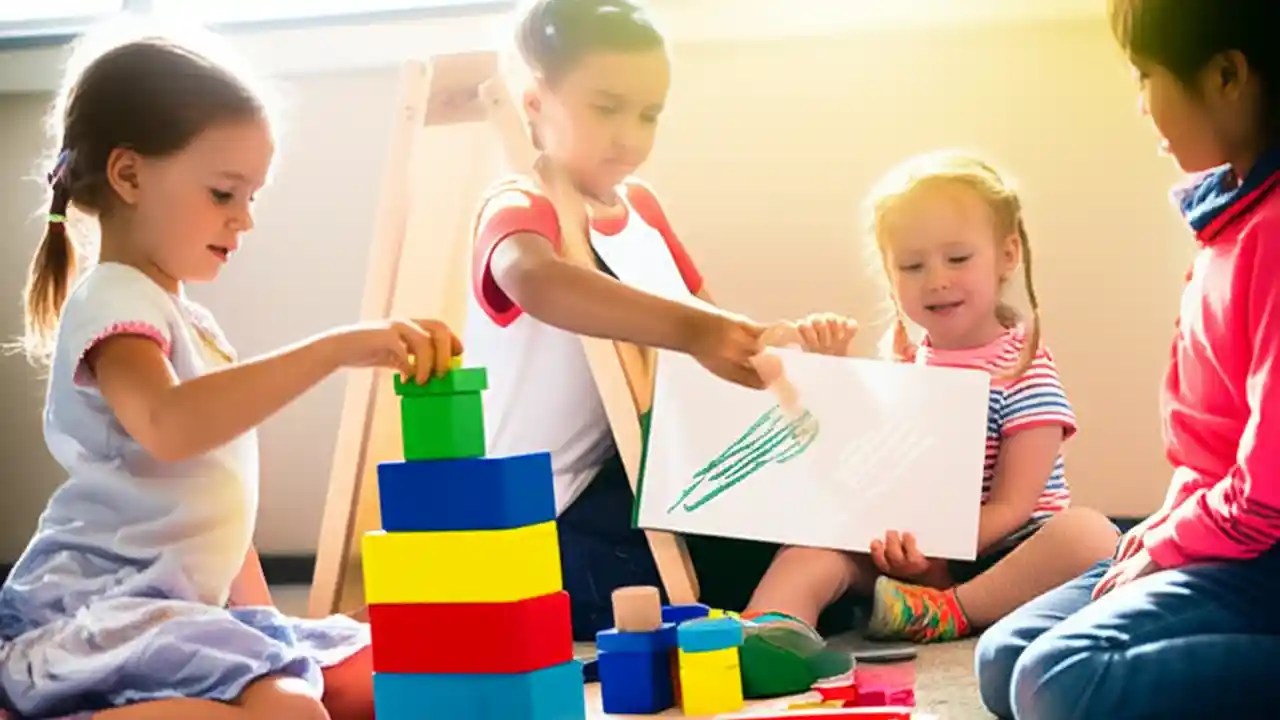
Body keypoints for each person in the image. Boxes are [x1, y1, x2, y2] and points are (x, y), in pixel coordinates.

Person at [0, 29, 461, 720]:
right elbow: (169, 426)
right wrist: (335, 349)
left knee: (393, 672)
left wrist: (271, 638)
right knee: (296, 712)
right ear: (128, 176)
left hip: (175, 618)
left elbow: (215, 509)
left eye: (252, 196)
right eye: (224, 192)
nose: (243, 219)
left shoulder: (185, 320)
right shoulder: (113, 300)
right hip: (99, 612)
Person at [974, 1, 1280, 717]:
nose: (1142, 105)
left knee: (1057, 680)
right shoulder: (1231, 218)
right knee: (1003, 661)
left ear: (1228, 76)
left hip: (1262, 547)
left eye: (1146, 76)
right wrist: (1166, 530)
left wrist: (1169, 545)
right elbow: (1215, 451)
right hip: (1225, 530)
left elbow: (1266, 494)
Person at [467, 0, 803, 641]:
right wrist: (698, 331)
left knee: (811, 521)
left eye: (648, 114)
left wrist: (783, 346)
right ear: (535, 102)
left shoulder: (642, 210)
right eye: (605, 107)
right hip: (554, 516)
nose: (630, 135)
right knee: (677, 591)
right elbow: (531, 277)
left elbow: (717, 323)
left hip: (649, 475)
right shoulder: (521, 202)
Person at [742, 150, 1120, 646]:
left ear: (1007, 256)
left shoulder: (1023, 369)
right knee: (807, 552)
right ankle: (764, 635)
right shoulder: (899, 363)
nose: (937, 279)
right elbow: (861, 465)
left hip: (1001, 554)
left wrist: (940, 550)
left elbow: (1013, 506)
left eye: (958, 259)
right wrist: (829, 377)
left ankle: (951, 611)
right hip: (904, 551)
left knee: (1090, 536)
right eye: (912, 265)